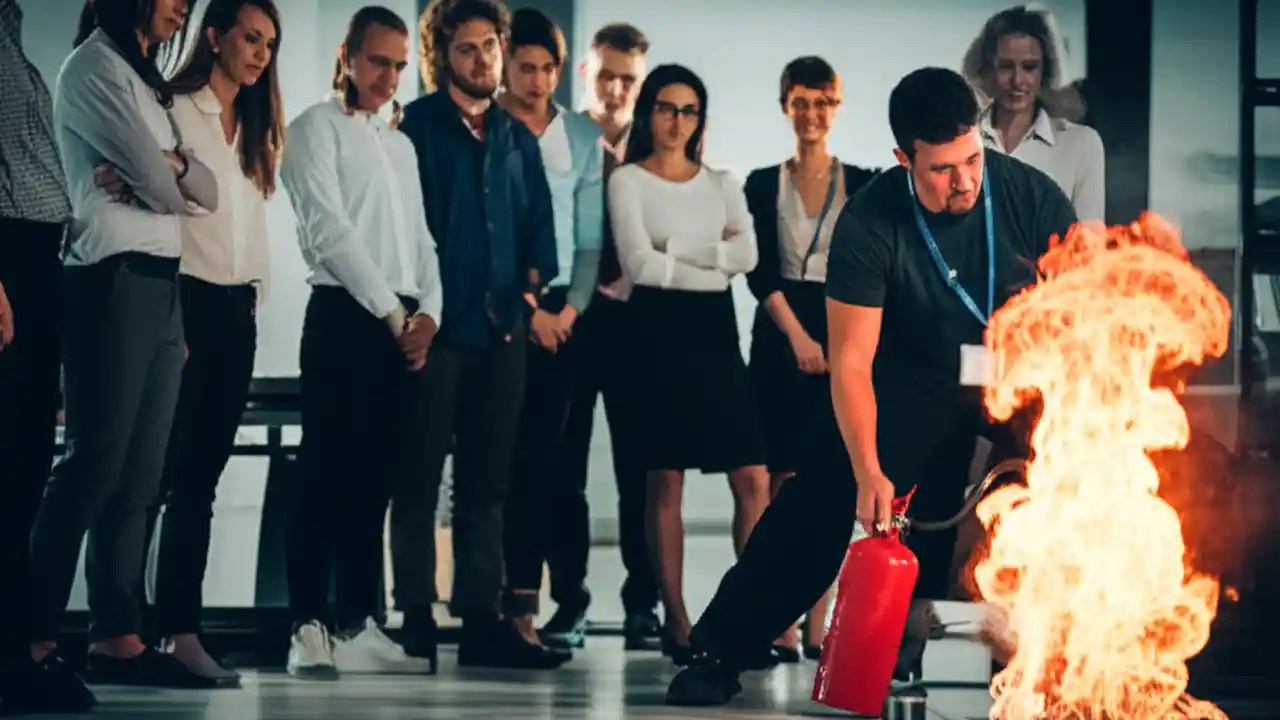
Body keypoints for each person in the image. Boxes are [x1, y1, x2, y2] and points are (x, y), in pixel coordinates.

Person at [665, 67, 1078, 706]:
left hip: (1021, 373)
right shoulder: (870, 220)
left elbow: (1084, 313)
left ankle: (1069, 662)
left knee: (1081, 481)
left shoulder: (1033, 197)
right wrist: (867, 468)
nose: (965, 180)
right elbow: (851, 361)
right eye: (942, 169)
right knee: (823, 494)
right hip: (909, 377)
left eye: (973, 159)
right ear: (902, 157)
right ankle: (719, 651)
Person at [29, 0, 221, 690]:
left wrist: (166, 165)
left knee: (141, 476)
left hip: (161, 281)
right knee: (92, 465)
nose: (180, 7)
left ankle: (118, 637)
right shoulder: (94, 68)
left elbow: (208, 190)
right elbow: (170, 192)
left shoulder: (144, 80)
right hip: (111, 279)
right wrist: (167, 172)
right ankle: (33, 636)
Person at [103, 0, 282, 687]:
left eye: (269, 42)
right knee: (152, 478)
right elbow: (148, 192)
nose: (261, 52)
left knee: (199, 484)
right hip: (185, 305)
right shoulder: (174, 107)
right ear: (214, 36)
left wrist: (256, 296)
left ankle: (182, 632)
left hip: (238, 309)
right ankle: (126, 632)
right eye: (249, 37)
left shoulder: (260, 126)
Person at [394, 0, 561, 669]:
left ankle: (482, 618)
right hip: (435, 335)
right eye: (466, 49)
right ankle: (413, 616)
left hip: (501, 337)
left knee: (488, 483)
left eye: (489, 45)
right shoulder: (416, 129)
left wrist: (525, 293)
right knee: (418, 475)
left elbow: (539, 231)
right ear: (443, 57)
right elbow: (403, 232)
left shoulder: (517, 138)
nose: (482, 59)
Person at [279, 5, 441, 680]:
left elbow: (422, 241)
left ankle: (358, 624)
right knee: (324, 475)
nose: (389, 76)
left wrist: (428, 312)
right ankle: (307, 628)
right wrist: (391, 313)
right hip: (346, 318)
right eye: (379, 60)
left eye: (400, 65)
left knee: (375, 481)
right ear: (347, 54)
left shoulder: (399, 143)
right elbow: (328, 231)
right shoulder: (314, 129)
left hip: (400, 324)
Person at [608, 63, 771, 665]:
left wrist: (674, 249)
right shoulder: (627, 182)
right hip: (653, 337)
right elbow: (638, 266)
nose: (677, 121)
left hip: (714, 337)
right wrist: (710, 262)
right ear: (649, 112)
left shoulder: (723, 183)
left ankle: (748, 618)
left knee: (752, 475)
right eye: (667, 108)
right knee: (664, 480)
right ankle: (676, 622)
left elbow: (747, 254)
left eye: (690, 110)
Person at [743, 55, 878, 662]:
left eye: (823, 102)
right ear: (784, 108)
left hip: (839, 323)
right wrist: (798, 338)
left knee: (824, 481)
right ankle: (772, 620)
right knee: (773, 481)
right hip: (779, 331)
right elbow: (760, 270)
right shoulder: (758, 183)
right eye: (801, 102)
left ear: (837, 108)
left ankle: (819, 622)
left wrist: (834, 342)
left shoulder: (865, 181)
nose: (812, 114)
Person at [543, 21, 660, 652]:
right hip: (572, 314)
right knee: (563, 466)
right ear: (585, 73)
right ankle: (570, 602)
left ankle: (642, 605)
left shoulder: (658, 143)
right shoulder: (562, 136)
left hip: (637, 324)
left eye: (628, 78)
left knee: (639, 469)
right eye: (606, 74)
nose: (616, 88)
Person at [495, 8, 602, 659]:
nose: (537, 80)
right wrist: (525, 309)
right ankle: (497, 606)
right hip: (505, 306)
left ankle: (544, 606)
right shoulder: (490, 129)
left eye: (547, 68)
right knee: (501, 467)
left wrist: (567, 313)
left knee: (554, 466)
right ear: (507, 66)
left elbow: (590, 241)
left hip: (566, 316)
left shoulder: (582, 135)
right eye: (525, 67)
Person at [0, 0, 96, 712]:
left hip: (37, 259)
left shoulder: (9, 32)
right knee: (9, 468)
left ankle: (17, 651)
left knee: (26, 463)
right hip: (8, 257)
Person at [962, 5, 1105, 221]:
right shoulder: (962, 143)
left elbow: (1090, 241)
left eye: (1029, 67)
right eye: (1005, 67)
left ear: (1045, 72)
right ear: (987, 69)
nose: (1017, 80)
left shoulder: (1080, 144)